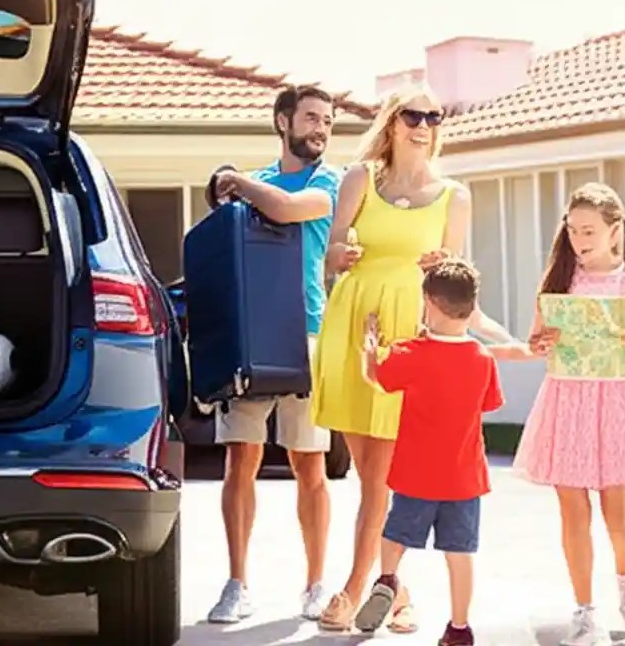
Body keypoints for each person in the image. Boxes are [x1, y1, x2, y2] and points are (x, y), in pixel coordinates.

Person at [308, 83, 518, 634]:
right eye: (412, 115)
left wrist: (493, 328)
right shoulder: (359, 179)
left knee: (384, 477)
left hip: (413, 333)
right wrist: (341, 254)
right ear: (392, 122)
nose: (423, 124)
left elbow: (454, 279)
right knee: (367, 475)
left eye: (433, 116)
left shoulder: (456, 195)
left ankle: (359, 589)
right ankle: (396, 593)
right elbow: (329, 253)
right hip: (357, 330)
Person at [203, 85, 341, 624]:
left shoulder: (328, 181)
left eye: (327, 121)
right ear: (283, 121)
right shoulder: (256, 182)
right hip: (249, 336)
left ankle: (315, 584)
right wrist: (240, 185)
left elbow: (285, 210)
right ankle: (237, 584)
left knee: (311, 464)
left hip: (306, 333)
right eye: (311, 118)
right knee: (242, 459)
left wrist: (235, 182)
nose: (321, 129)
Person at [512, 182, 625, 646]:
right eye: (573, 231)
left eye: (589, 231)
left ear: (614, 229)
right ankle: (584, 611)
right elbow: (535, 340)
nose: (580, 240)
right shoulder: (559, 279)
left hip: (620, 398)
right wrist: (541, 342)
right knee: (572, 508)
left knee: (618, 512)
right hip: (568, 399)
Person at [354, 259, 531, 645]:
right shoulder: (482, 358)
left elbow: (377, 380)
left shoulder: (410, 353)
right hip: (464, 480)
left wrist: (370, 348)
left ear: (429, 303)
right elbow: (488, 403)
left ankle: (387, 578)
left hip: (415, 475)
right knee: (460, 553)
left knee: (395, 534)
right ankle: (460, 628)